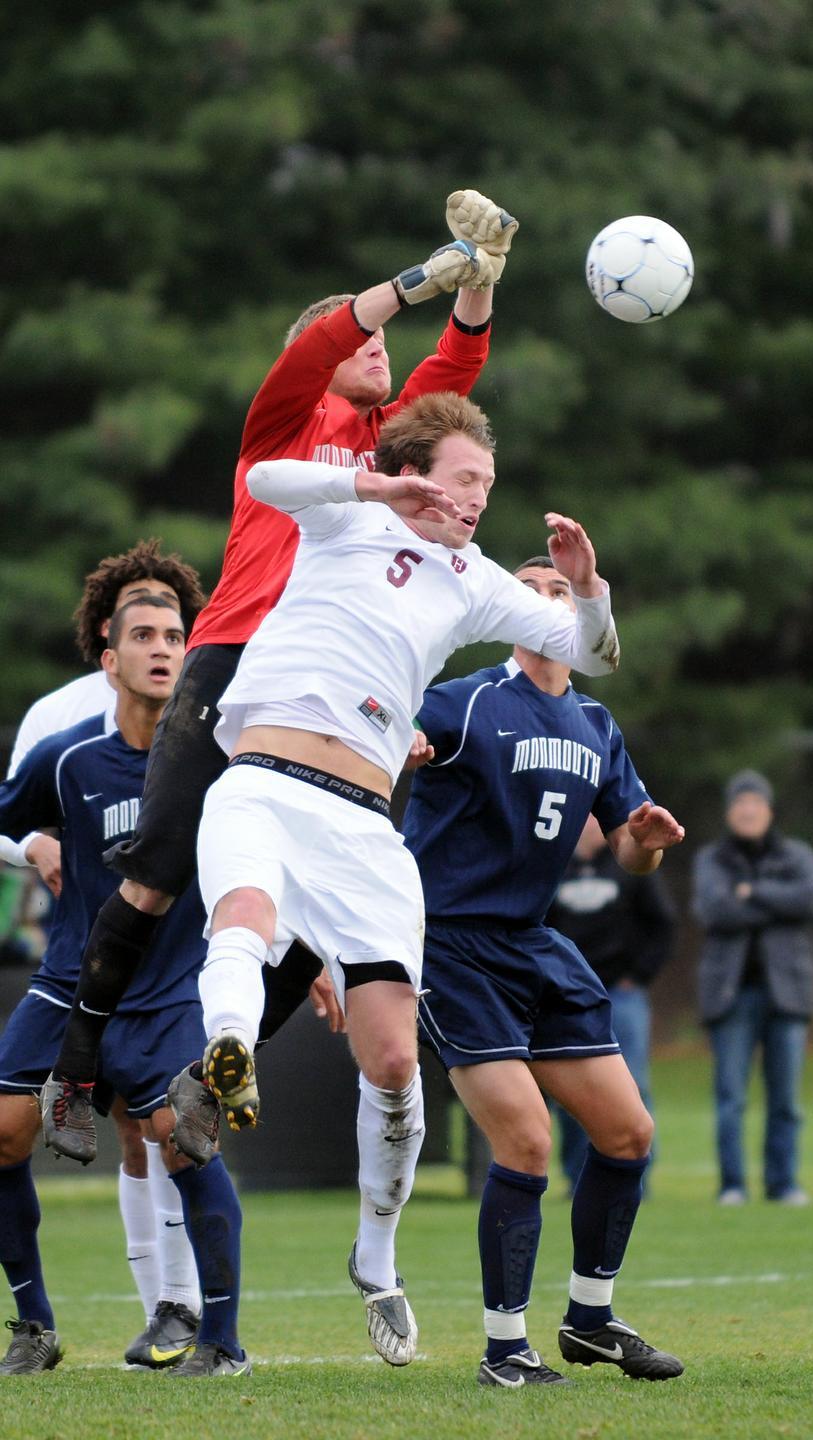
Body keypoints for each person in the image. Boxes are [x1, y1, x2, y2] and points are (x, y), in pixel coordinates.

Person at [42, 188, 517, 1162]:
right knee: (159, 871)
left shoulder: (395, 453)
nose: (382, 356)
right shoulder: (288, 421)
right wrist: (424, 277)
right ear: (328, 352)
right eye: (366, 342)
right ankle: (76, 1067)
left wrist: (481, 289)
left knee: (321, 910)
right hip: (234, 655)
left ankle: (220, 1064)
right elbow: (321, 345)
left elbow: (456, 372)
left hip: (332, 689)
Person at [164, 392, 620, 1369]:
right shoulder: (348, 511)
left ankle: (375, 1260)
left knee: (395, 1065)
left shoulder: (473, 579)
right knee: (242, 917)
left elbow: (593, 652)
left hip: (364, 833)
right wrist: (367, 479)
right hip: (261, 784)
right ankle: (227, 1055)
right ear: (418, 469)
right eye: (465, 479)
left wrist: (588, 592)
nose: (476, 500)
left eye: (487, 487)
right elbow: (262, 479)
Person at [400, 555, 685, 1388]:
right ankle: (503, 1348)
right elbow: (375, 736)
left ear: (583, 615)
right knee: (524, 1141)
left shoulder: (595, 724)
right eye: (528, 590)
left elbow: (631, 854)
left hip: (534, 943)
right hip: (453, 945)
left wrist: (648, 840)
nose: (547, 601)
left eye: (560, 590)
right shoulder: (463, 702)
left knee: (629, 1133)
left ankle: (591, 1320)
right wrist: (399, 744)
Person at [0, 597, 248, 1377]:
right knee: (3, 1132)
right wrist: (38, 841)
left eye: (176, 636)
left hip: (167, 988)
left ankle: (222, 1343)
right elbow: (8, 819)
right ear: (109, 661)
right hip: (69, 980)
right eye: (142, 636)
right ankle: (34, 1327)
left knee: (183, 1139)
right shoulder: (68, 759)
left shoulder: (221, 760)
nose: (163, 649)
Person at [691, 769, 813, 1206]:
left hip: (787, 993)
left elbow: (809, 900)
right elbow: (716, 910)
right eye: (740, 803)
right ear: (730, 811)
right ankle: (732, 1185)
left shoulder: (797, 855)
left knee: (785, 1100)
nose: (748, 811)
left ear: (769, 810)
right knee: (731, 1097)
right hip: (731, 995)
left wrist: (752, 892)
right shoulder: (712, 859)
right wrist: (773, 903)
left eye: (756, 803)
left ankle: (782, 1182)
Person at [547, 812, 678, 1189]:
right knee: (572, 1089)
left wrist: (636, 976)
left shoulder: (629, 868)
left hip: (620, 994)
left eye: (593, 815)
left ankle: (637, 1178)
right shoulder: (556, 866)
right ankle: (578, 1179)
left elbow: (663, 923)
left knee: (632, 1083)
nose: (587, 822)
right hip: (567, 994)